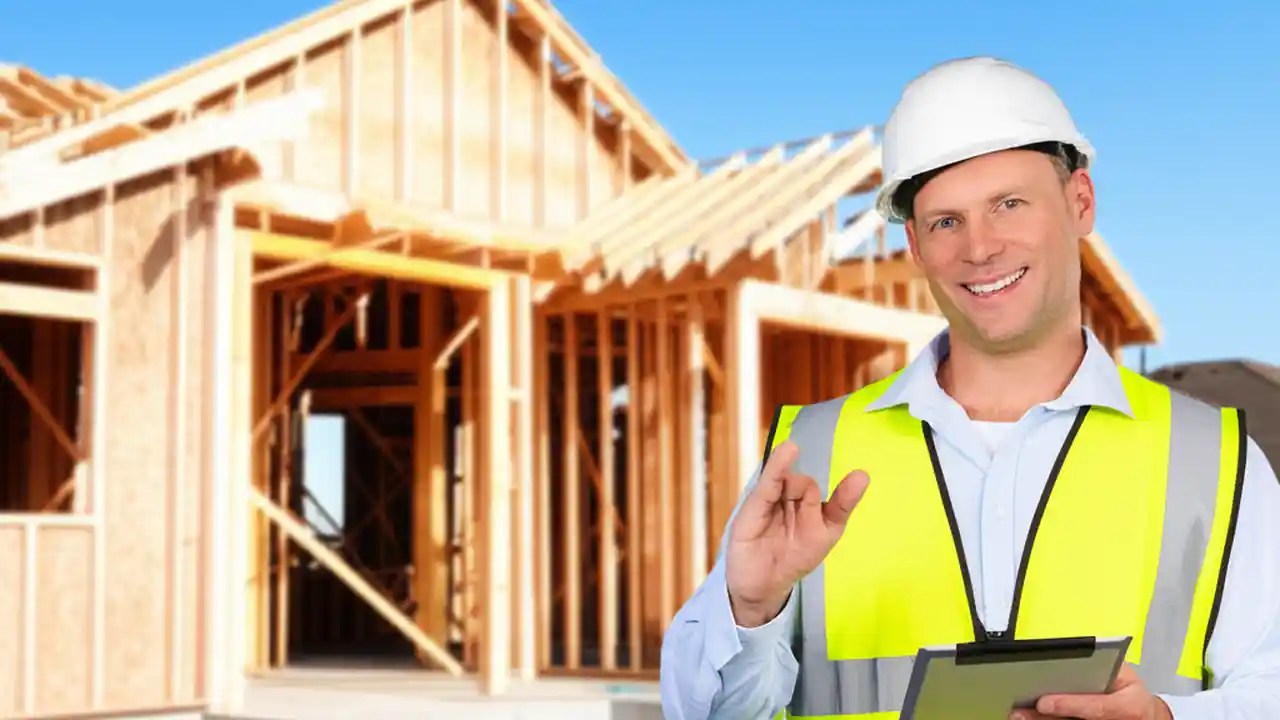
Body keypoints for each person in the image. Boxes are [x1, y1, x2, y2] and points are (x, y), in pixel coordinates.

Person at [659, 56, 1280, 720]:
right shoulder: (808, 455)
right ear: (915, 244)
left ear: (1081, 202)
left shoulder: (1211, 460)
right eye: (946, 222)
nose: (979, 248)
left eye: (1008, 205)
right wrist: (750, 610)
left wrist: (1167, 717)